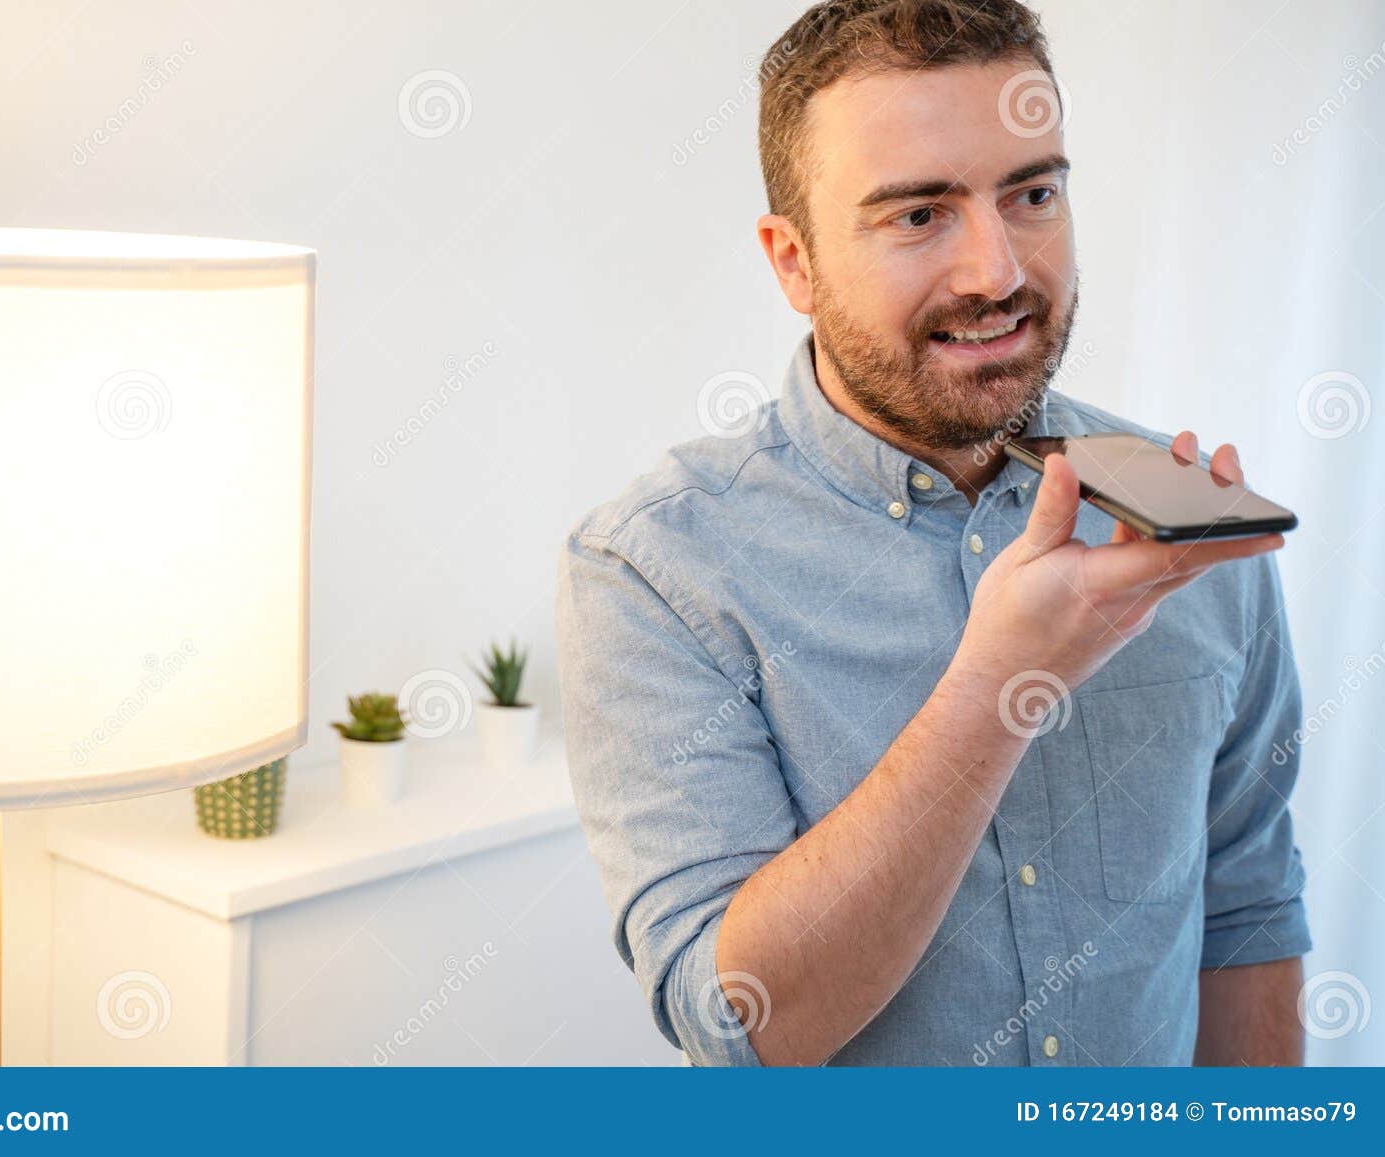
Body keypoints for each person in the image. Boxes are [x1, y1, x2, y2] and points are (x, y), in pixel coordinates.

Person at [555, 0, 1308, 1067]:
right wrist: (1004, 681)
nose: (994, 272)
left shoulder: (1184, 529)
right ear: (793, 262)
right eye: (918, 214)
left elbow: (1247, 904)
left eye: (1031, 193)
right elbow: (741, 1027)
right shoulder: (653, 570)